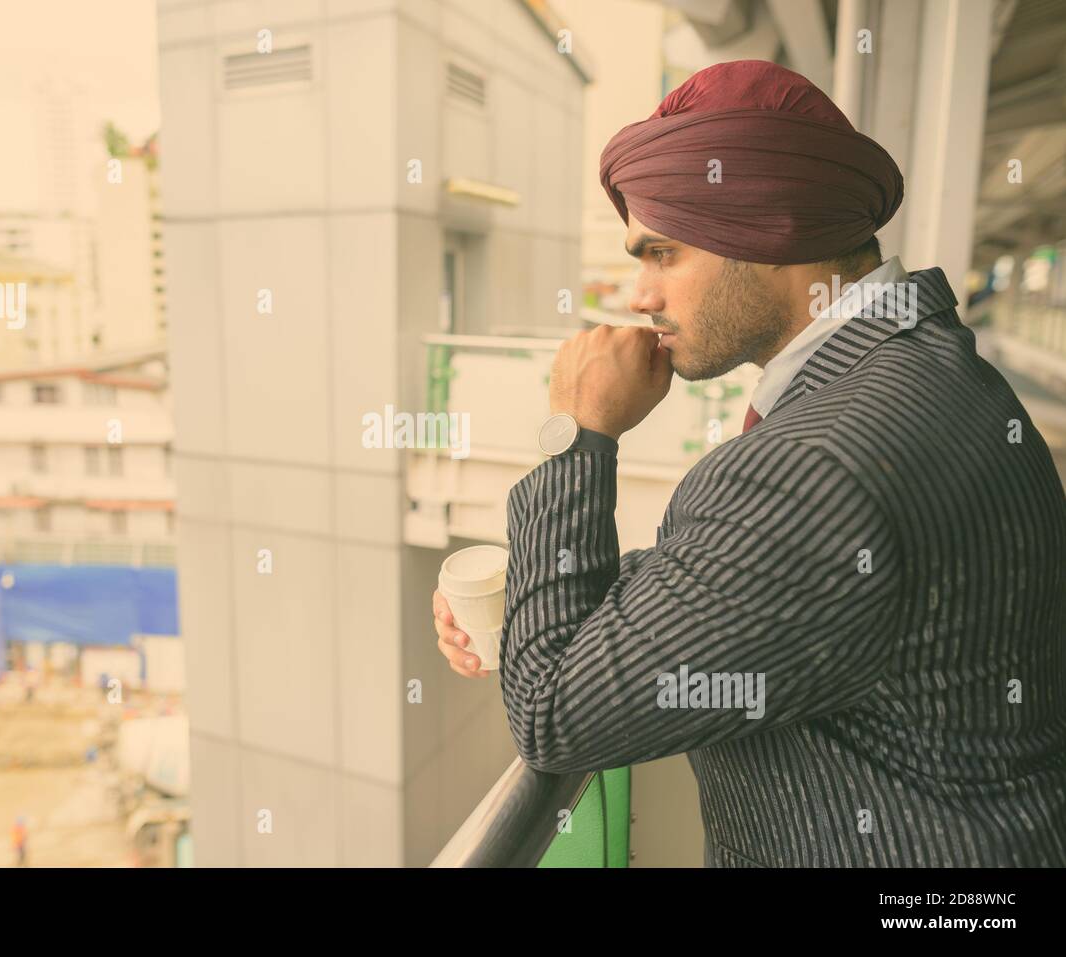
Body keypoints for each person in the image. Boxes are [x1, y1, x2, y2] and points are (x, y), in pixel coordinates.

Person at [432, 60, 1066, 867]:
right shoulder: (938, 371)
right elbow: (758, 580)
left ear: (769, 228)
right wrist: (529, 596)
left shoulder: (813, 461)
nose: (638, 296)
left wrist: (576, 432)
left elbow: (555, 713)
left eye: (660, 252)